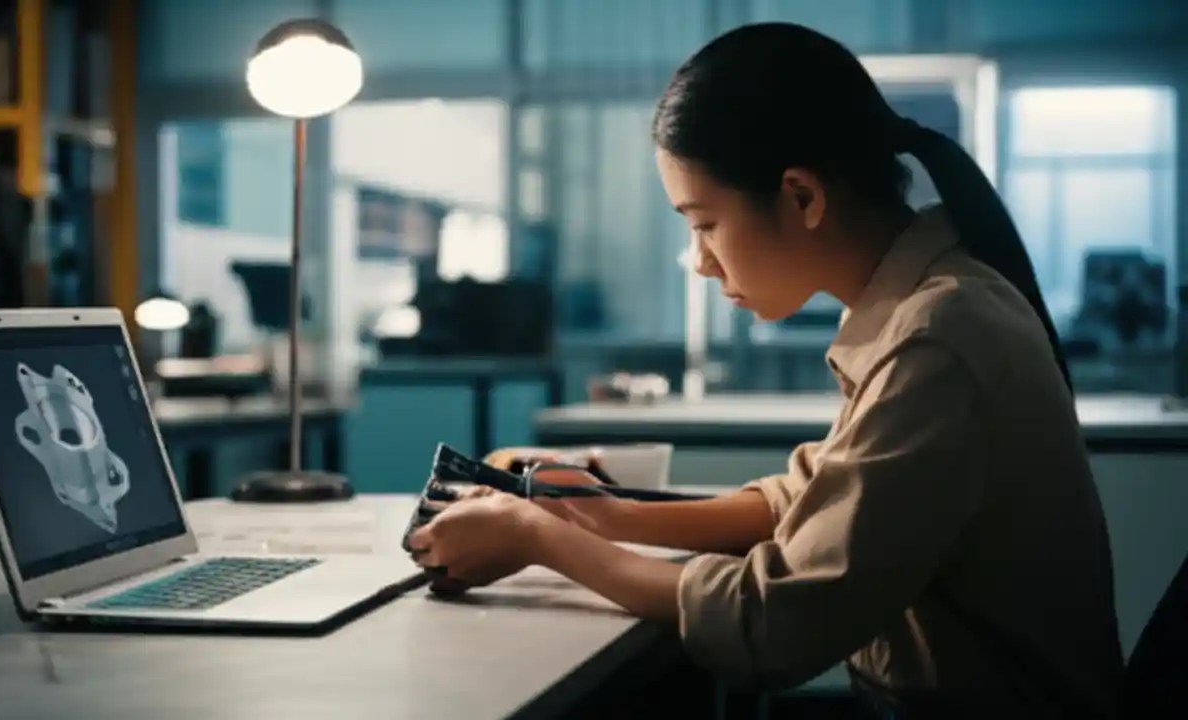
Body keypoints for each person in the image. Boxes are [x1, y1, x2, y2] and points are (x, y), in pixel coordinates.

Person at [407, 22, 1123, 718]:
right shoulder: (920, 306)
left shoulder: (938, 336)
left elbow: (774, 623)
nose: (699, 260)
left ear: (802, 197)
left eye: (704, 223)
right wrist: (606, 513)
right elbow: (808, 503)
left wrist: (539, 539)